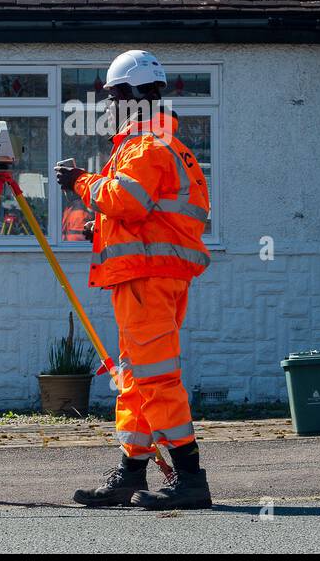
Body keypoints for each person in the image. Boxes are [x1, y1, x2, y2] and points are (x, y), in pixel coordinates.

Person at [54, 49, 212, 510]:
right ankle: (131, 472)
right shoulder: (166, 145)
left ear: (134, 97)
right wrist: (95, 227)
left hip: (147, 279)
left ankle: (190, 478)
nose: (107, 107)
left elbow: (126, 201)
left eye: (113, 96)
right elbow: (151, 215)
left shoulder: (148, 145)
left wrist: (81, 182)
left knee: (156, 378)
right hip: (153, 276)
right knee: (138, 378)